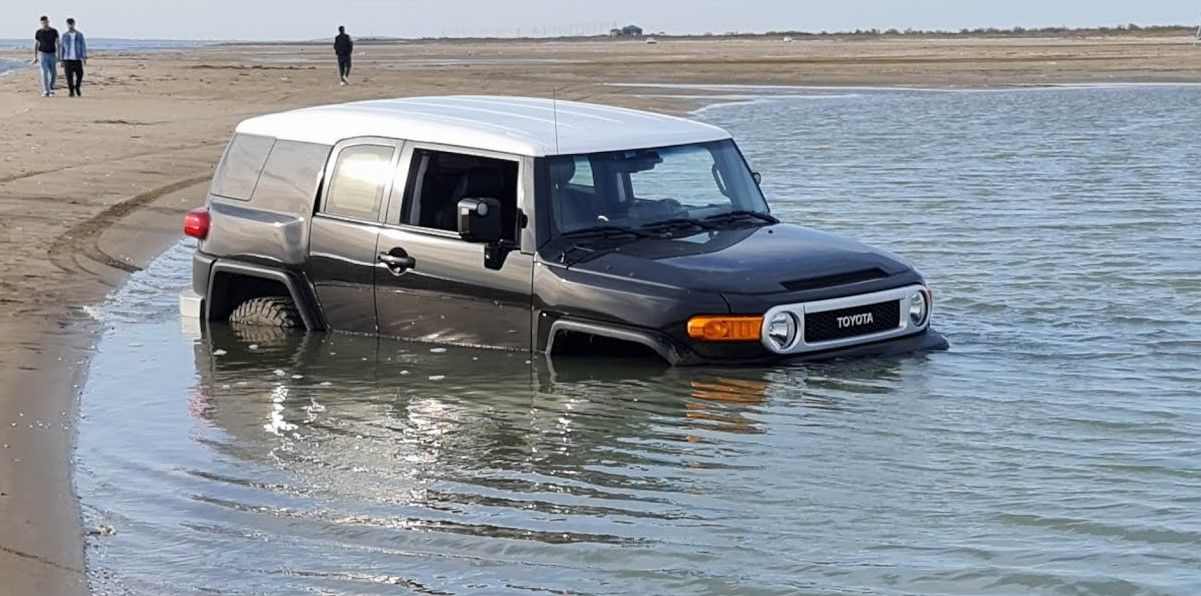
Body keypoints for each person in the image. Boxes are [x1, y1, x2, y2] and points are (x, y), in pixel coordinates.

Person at [60, 18, 87, 97]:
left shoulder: (79, 35)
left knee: (80, 74)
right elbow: (62, 48)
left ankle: (77, 87)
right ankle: (71, 91)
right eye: (69, 24)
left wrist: (84, 57)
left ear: (74, 24)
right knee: (69, 76)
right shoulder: (64, 35)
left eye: (72, 24)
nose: (70, 25)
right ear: (67, 24)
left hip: (77, 58)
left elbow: (83, 46)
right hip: (67, 59)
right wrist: (61, 59)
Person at [33, 16, 59, 97]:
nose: (45, 24)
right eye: (43, 23)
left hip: (52, 54)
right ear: (41, 23)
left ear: (48, 22)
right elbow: (36, 44)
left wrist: (59, 55)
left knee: (53, 73)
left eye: (46, 22)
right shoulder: (39, 32)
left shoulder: (54, 31)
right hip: (43, 55)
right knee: (44, 73)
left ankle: (51, 88)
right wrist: (35, 56)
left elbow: (58, 43)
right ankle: (46, 91)